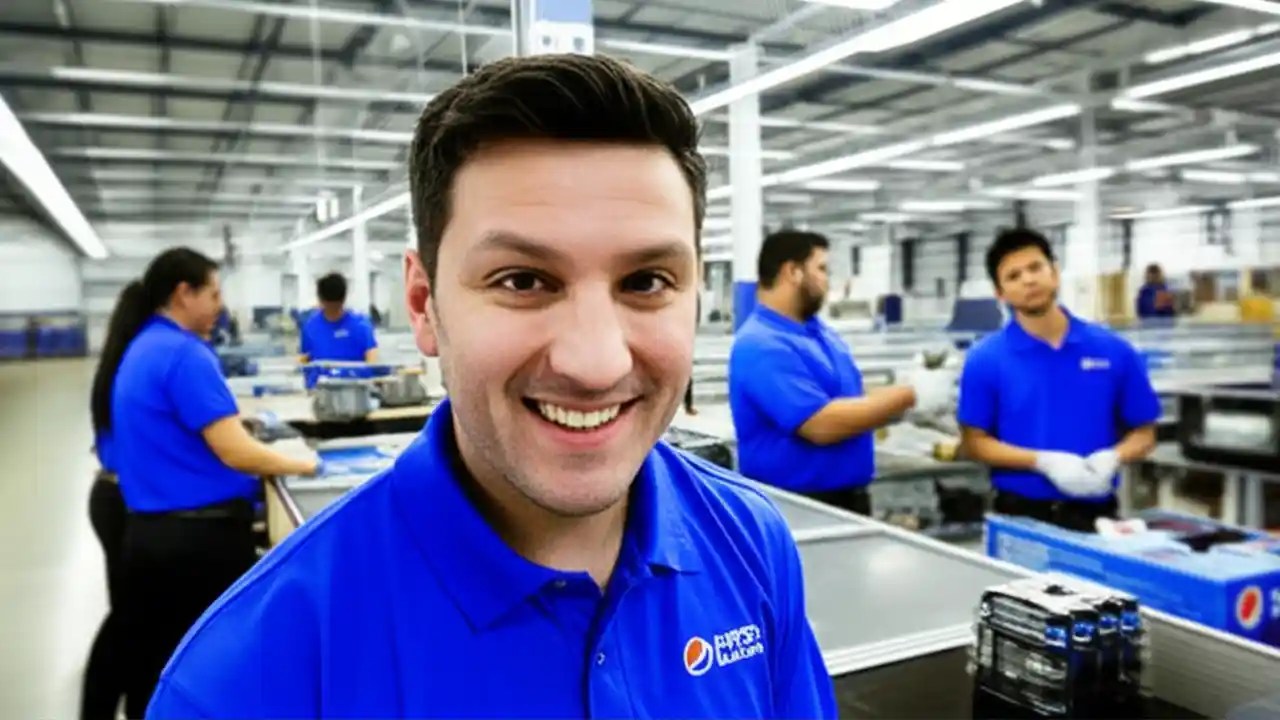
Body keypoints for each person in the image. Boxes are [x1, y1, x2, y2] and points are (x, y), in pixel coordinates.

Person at [146, 54, 835, 719]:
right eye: (523, 281)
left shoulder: (751, 545)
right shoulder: (251, 677)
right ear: (423, 304)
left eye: (646, 282)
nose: (594, 362)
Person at [94, 247, 320, 717]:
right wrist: (303, 464)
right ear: (184, 293)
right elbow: (233, 449)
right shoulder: (183, 353)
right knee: (214, 663)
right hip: (196, 544)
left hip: (151, 535)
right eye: (213, 293)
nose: (220, 304)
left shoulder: (142, 347)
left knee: (158, 662)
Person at [727, 230, 955, 516]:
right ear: (793, 272)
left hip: (847, 498)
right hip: (795, 508)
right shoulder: (761, 343)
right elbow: (821, 425)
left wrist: (905, 392)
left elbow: (850, 398)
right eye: (822, 269)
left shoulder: (821, 334)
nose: (827, 280)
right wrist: (911, 395)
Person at [957, 229, 1161, 532]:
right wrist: (1042, 461)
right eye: (1013, 276)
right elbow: (974, 444)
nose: (1028, 280)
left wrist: (1114, 457)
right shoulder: (985, 358)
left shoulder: (1113, 350)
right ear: (1000, 293)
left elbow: (1144, 432)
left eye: (1035, 268)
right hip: (1020, 516)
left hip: (1098, 516)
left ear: (1054, 272)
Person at [82, 322, 129, 720]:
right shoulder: (139, 368)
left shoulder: (118, 365)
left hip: (109, 495)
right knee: (128, 617)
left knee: (128, 613)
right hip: (123, 500)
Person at [298, 273, 379, 365]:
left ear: (320, 298)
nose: (332, 309)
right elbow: (303, 360)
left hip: (354, 379)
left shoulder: (361, 325)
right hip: (320, 378)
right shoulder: (310, 327)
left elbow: (372, 360)